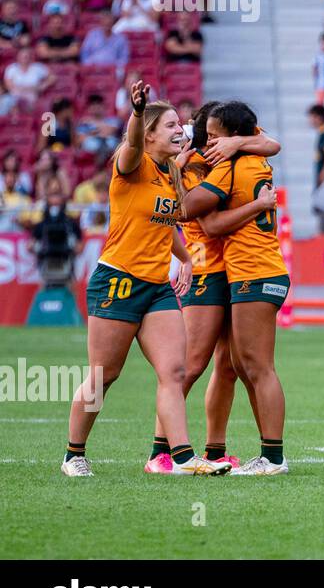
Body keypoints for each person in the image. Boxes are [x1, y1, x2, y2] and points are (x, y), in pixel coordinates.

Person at [62, 84, 230, 477]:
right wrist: (137, 113)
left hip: (156, 287)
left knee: (174, 371)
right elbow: (132, 145)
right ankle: (74, 454)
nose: (180, 129)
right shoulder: (132, 162)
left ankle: (183, 458)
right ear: (150, 132)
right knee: (105, 374)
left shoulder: (170, 173)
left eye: (180, 124)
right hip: (117, 281)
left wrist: (185, 258)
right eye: (171, 124)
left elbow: (166, 221)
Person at [155, 101, 280, 473]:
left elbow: (271, 143)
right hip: (207, 270)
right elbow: (200, 221)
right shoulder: (194, 164)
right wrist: (257, 205)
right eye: (204, 133)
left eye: (216, 135)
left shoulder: (233, 157)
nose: (210, 140)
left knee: (228, 367)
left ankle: (215, 451)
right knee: (190, 365)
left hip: (236, 271)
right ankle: (161, 452)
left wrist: (238, 145)